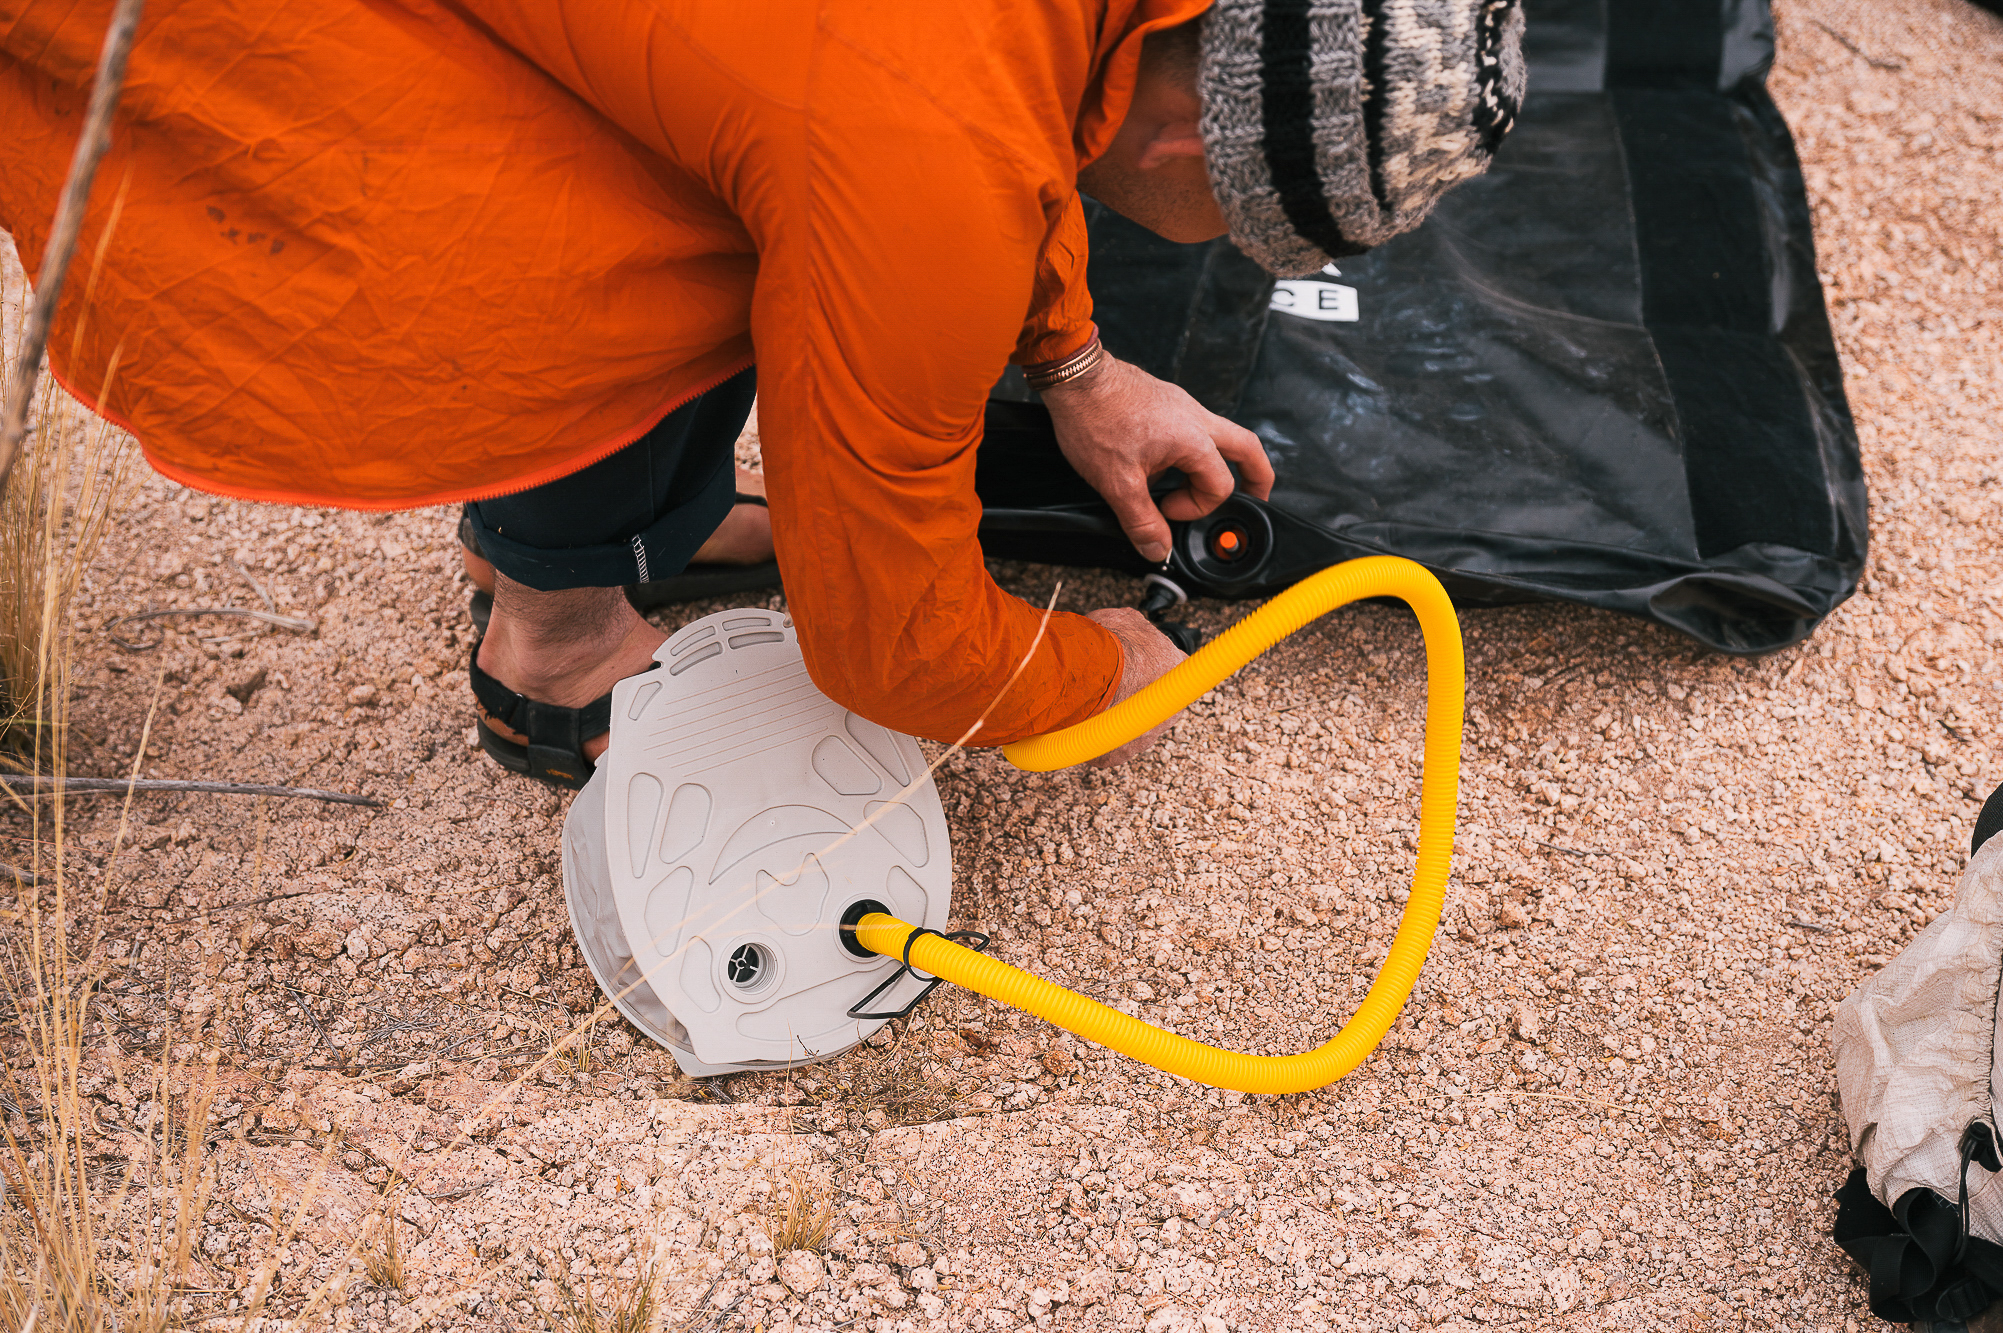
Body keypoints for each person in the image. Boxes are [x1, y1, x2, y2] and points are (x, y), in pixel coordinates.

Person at [0, 0, 1524, 785]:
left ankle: (629, 525)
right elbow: (893, 648)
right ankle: (555, 642)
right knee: (685, 249)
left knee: (756, 172)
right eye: (1252, 238)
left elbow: (999, 88)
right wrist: (1105, 670)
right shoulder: (928, 175)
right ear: (1203, 161)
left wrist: (1077, 364)